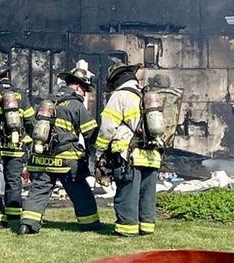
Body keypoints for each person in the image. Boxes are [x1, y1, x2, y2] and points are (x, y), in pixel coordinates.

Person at [20, 64, 100, 235]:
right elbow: (91, 133)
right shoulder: (76, 106)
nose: (85, 94)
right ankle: (90, 224)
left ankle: (27, 224)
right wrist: (96, 152)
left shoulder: (46, 102)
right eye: (84, 89)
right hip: (67, 160)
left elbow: (34, 127)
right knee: (80, 191)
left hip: (42, 157)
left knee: (39, 191)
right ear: (78, 86)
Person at [96, 62, 161, 237]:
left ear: (115, 81)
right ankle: (146, 228)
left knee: (128, 192)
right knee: (147, 194)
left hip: (130, 155)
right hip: (152, 155)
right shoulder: (145, 95)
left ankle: (127, 229)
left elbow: (107, 127)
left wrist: (99, 151)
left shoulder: (120, 96)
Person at [0, 57, 34, 227]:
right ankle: (13, 216)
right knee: (13, 181)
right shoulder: (20, 94)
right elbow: (30, 122)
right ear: (7, 73)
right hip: (15, 146)